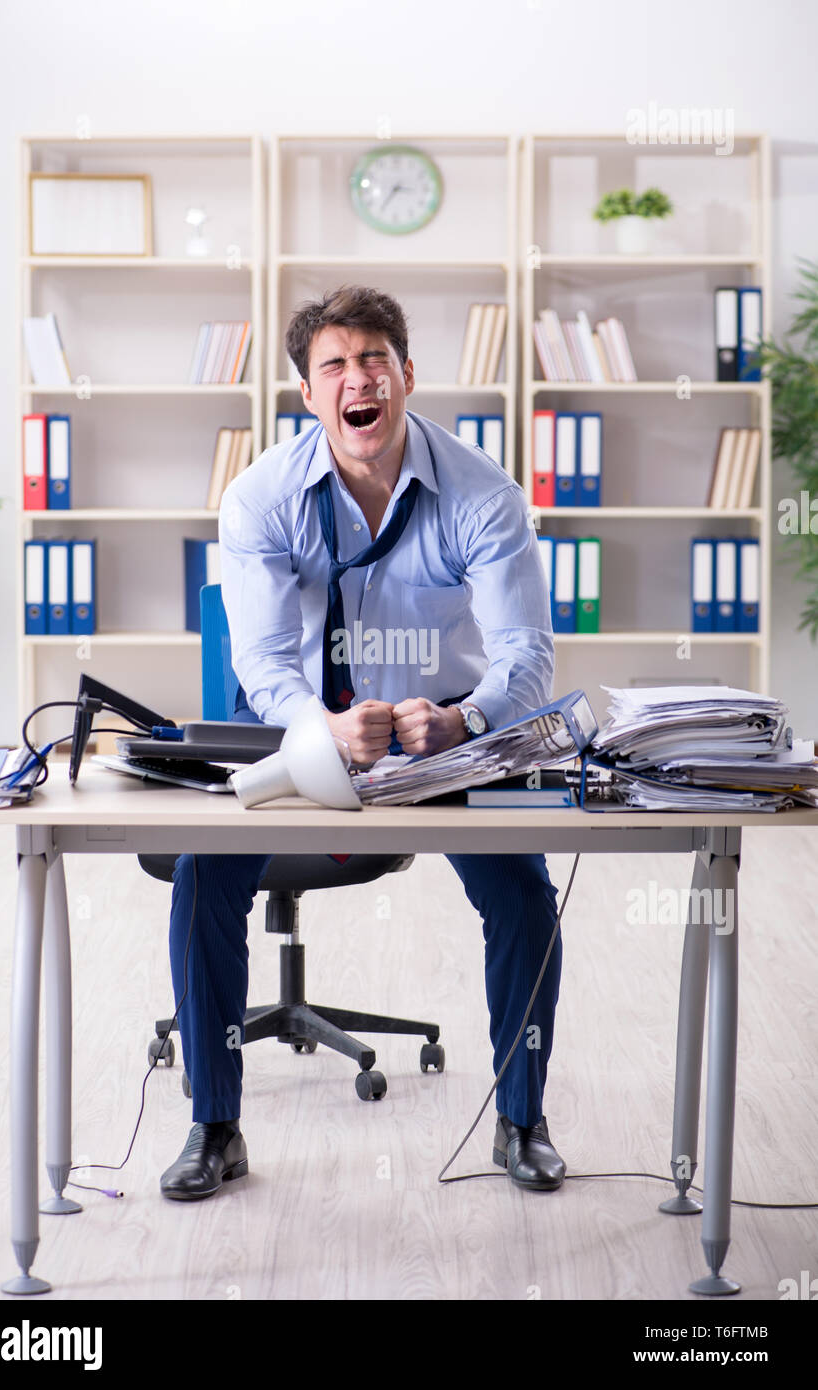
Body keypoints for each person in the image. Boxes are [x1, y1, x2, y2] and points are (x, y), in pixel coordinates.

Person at [159, 284, 565, 1200]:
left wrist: (464, 718)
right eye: (333, 366)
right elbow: (262, 658)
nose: (357, 379)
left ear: (406, 376)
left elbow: (526, 654)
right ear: (308, 394)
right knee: (203, 877)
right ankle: (214, 1126)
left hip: (446, 732)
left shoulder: (482, 494)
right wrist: (319, 730)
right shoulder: (261, 496)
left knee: (525, 897)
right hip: (299, 724)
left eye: (374, 359)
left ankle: (520, 1121)